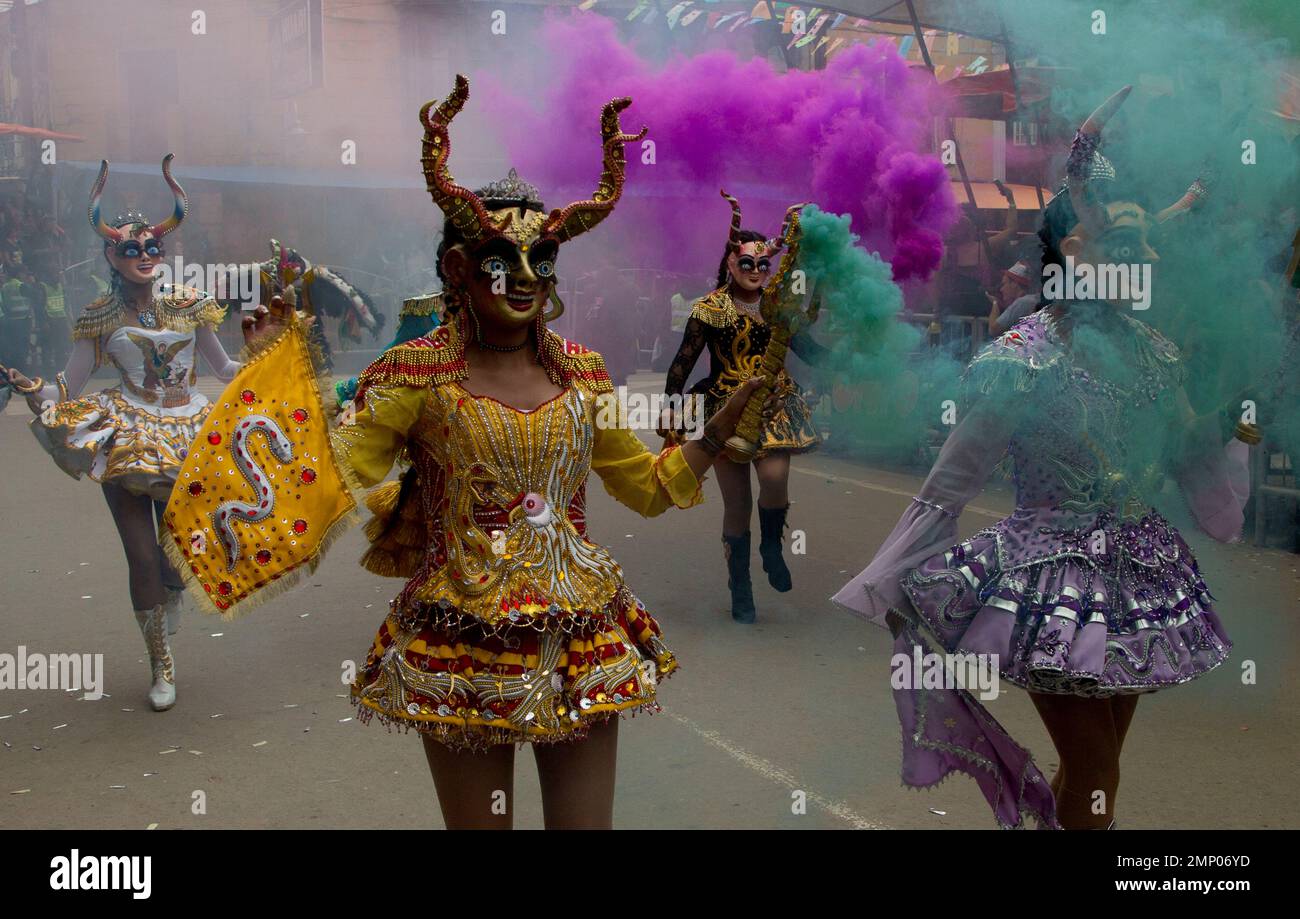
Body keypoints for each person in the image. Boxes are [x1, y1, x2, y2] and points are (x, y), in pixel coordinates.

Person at [172, 77, 773, 829]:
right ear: (460, 270)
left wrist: (714, 438)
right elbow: (331, 476)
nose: (523, 278)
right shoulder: (417, 373)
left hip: (577, 636)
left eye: (541, 259)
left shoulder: (582, 372)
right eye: (500, 261)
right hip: (459, 643)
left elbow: (648, 489)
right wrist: (273, 379)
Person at [833, 88, 1248, 829]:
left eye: (1148, 247)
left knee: (1098, 769)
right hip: (1050, 583)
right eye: (1130, 247)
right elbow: (952, 480)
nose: (1147, 260)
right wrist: (896, 575)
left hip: (1139, 574)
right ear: (1078, 254)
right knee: (1094, 767)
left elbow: (1192, 456)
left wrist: (1239, 415)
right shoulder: (1021, 358)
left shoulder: (1156, 354)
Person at [2, 156, 287, 713]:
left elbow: (224, 370)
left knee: (175, 552)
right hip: (128, 433)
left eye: (152, 248)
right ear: (111, 255)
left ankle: (174, 587)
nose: (145, 257)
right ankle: (162, 664)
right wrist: (34, 389)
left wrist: (261, 353)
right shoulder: (99, 315)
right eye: (131, 249)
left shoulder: (188, 305)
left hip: (189, 431)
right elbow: (67, 386)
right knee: (140, 557)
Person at [660, 191, 827, 623]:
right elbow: (683, 362)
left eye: (762, 264)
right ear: (730, 264)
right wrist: (671, 408)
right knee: (737, 503)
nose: (755, 271)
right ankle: (741, 586)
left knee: (774, 479)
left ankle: (772, 548)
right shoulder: (709, 309)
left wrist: (850, 366)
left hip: (774, 406)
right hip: (724, 408)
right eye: (746, 263)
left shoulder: (779, 307)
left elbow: (809, 350)